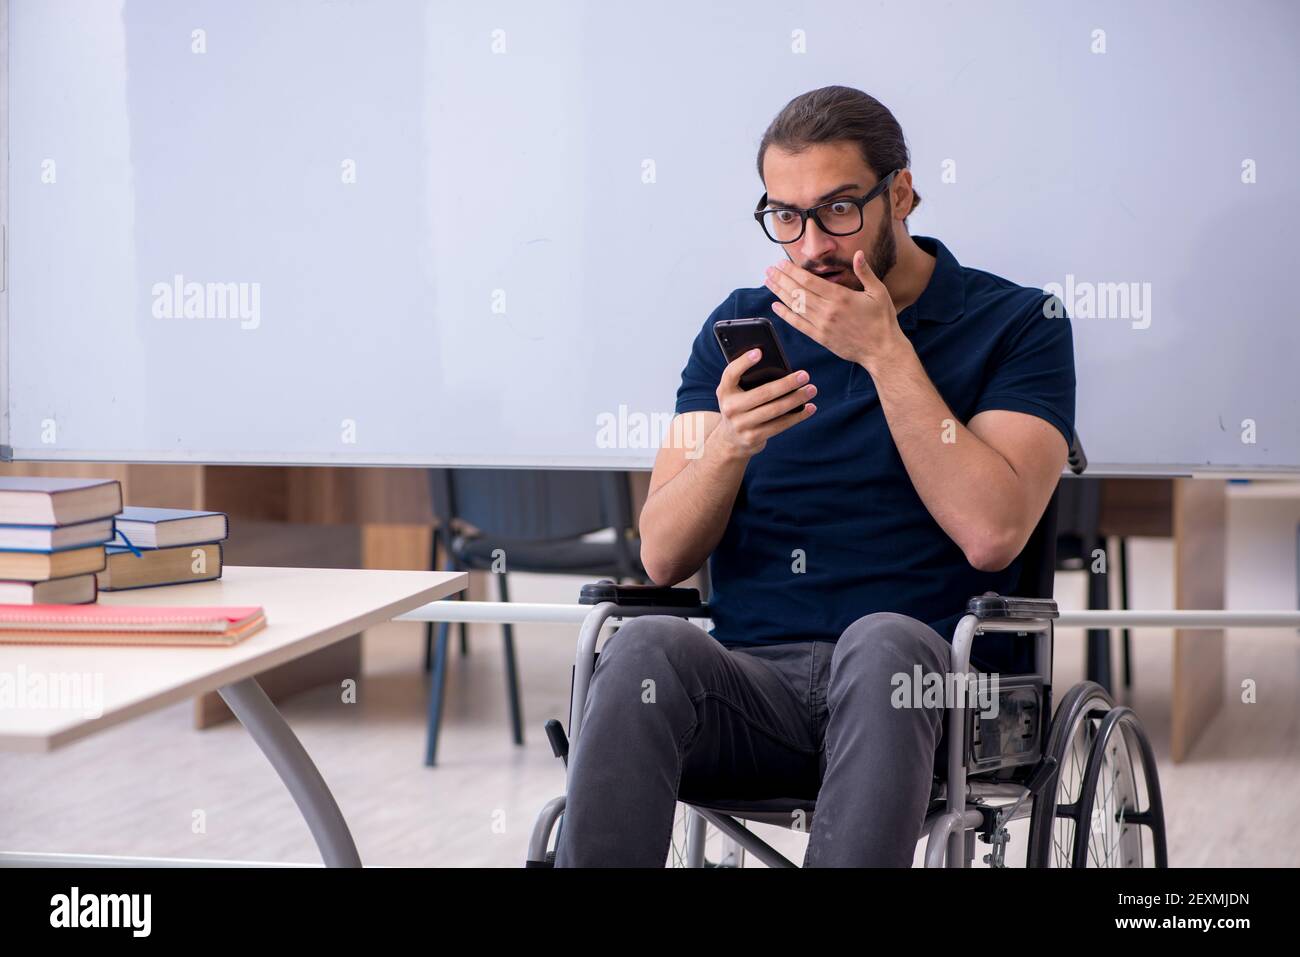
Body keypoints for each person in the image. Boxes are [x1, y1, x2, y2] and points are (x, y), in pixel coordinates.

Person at [556, 85, 1075, 867]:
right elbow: (661, 554)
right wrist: (728, 443)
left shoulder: (1019, 325)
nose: (809, 248)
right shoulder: (738, 328)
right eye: (785, 216)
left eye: (837, 210)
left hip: (930, 688)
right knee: (643, 648)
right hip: (759, 689)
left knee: (884, 641)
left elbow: (993, 532)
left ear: (900, 193)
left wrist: (885, 352)